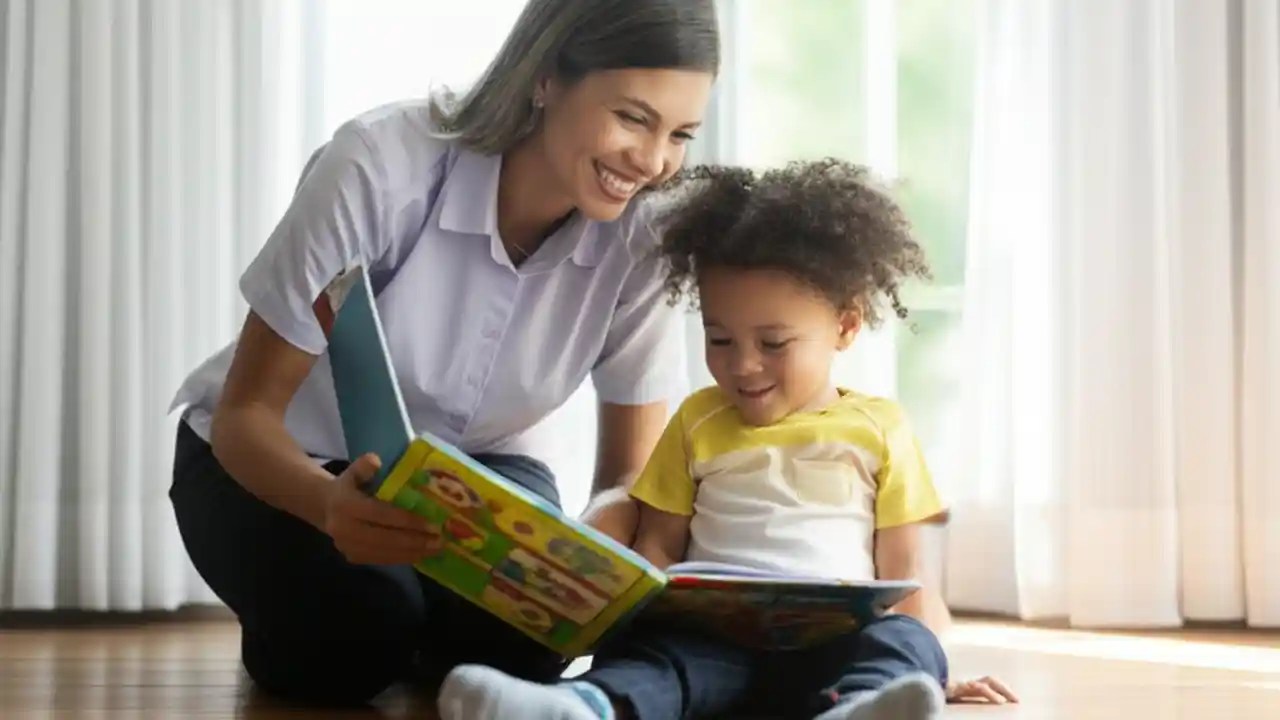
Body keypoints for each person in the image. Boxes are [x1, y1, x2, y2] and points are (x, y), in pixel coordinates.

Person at [167, 0, 718, 706]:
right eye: (633, 118)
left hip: (476, 475)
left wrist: (588, 563)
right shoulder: (379, 164)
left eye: (680, 134)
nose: (651, 162)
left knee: (532, 649)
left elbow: (626, 473)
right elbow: (246, 417)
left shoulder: (647, 235)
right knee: (360, 628)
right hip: (273, 466)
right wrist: (327, 505)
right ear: (545, 78)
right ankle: (351, 622)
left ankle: (420, 629)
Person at [436, 160, 1020, 720]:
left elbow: (905, 574)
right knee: (660, 657)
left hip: (834, 649)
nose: (742, 366)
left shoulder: (880, 427)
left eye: (773, 343)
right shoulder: (697, 421)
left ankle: (864, 707)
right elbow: (660, 548)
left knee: (903, 639)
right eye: (719, 339)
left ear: (844, 326)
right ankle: (580, 708)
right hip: (713, 645)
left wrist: (935, 668)